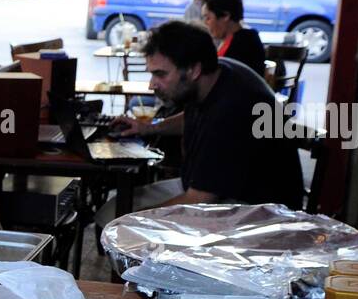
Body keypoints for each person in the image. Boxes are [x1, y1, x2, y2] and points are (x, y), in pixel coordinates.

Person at [99, 20, 303, 223]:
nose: (152, 85)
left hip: (260, 215)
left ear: (193, 70)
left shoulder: (230, 110)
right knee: (111, 211)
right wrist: (149, 128)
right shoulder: (216, 74)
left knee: (121, 223)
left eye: (160, 74)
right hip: (219, 193)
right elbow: (190, 116)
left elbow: (199, 200)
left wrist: (133, 222)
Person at [201, 0, 267, 78]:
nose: (205, 23)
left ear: (226, 16)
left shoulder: (244, 44)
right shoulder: (234, 38)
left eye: (208, 18)